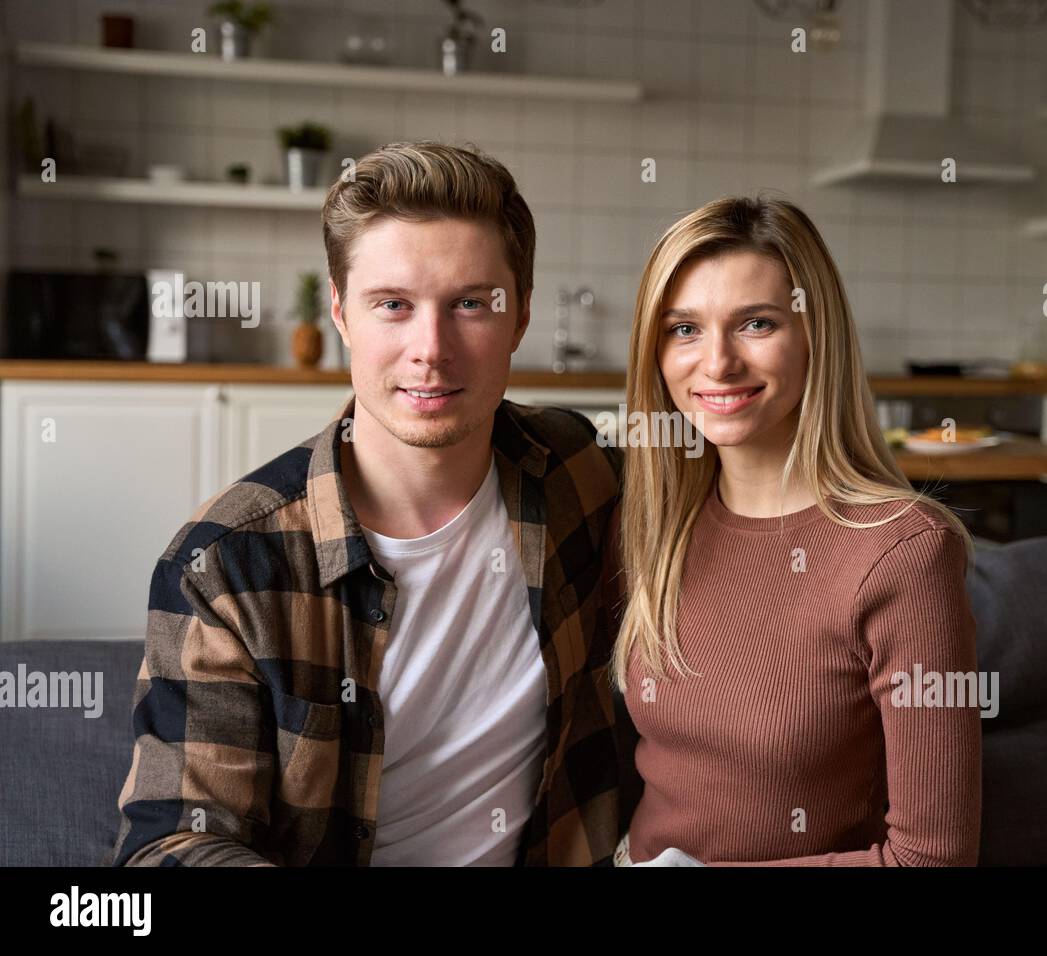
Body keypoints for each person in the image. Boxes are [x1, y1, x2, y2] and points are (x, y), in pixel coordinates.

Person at [108, 142, 633, 866]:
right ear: (342, 316)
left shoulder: (582, 472)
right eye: (393, 305)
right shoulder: (225, 563)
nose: (431, 349)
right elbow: (170, 844)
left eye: (471, 304)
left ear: (520, 318)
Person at [607, 195, 983, 866]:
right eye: (684, 328)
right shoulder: (655, 526)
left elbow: (933, 859)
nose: (717, 363)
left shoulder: (904, 552)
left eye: (756, 323)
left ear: (816, 335)